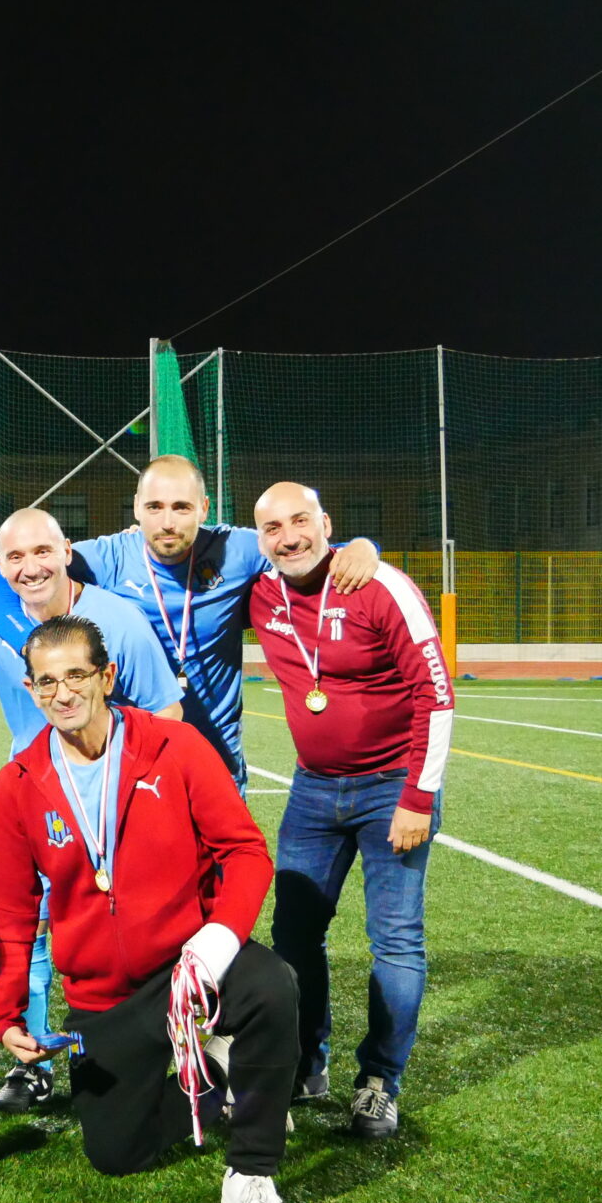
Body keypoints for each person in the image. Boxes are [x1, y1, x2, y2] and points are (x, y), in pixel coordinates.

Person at [0, 614, 304, 1203]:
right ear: (29, 689)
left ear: (107, 676)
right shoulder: (16, 786)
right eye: (46, 682)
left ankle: (252, 1176)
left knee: (271, 984)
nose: (62, 693)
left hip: (186, 963)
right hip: (104, 998)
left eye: (76, 675)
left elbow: (245, 853)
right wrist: (6, 1012)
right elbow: (11, 913)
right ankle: (209, 1078)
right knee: (116, 1154)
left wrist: (215, 943)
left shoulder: (173, 747)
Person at [0, 506, 184, 1114]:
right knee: (31, 928)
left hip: (116, 802)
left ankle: (166, 1053)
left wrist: (133, 789)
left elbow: (168, 715)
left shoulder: (116, 621)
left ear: (67, 551)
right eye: (14, 557)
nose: (30, 568)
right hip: (37, 802)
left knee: (133, 930)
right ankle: (36, 1060)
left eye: (42, 552)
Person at [249, 482, 454, 1139]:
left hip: (391, 787)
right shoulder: (261, 589)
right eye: (273, 527)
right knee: (293, 939)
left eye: (301, 520)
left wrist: (417, 799)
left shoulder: (378, 585)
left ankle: (378, 1082)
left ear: (326, 523)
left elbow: (436, 696)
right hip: (312, 790)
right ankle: (307, 1061)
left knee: (394, 940)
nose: (289, 536)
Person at [71, 454, 380, 788]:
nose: (167, 522)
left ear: (204, 508)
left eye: (181, 507)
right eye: (154, 507)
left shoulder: (236, 550)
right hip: (134, 760)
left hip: (218, 762)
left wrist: (363, 547)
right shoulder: (107, 557)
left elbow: (308, 552)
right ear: (136, 508)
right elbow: (14, 572)